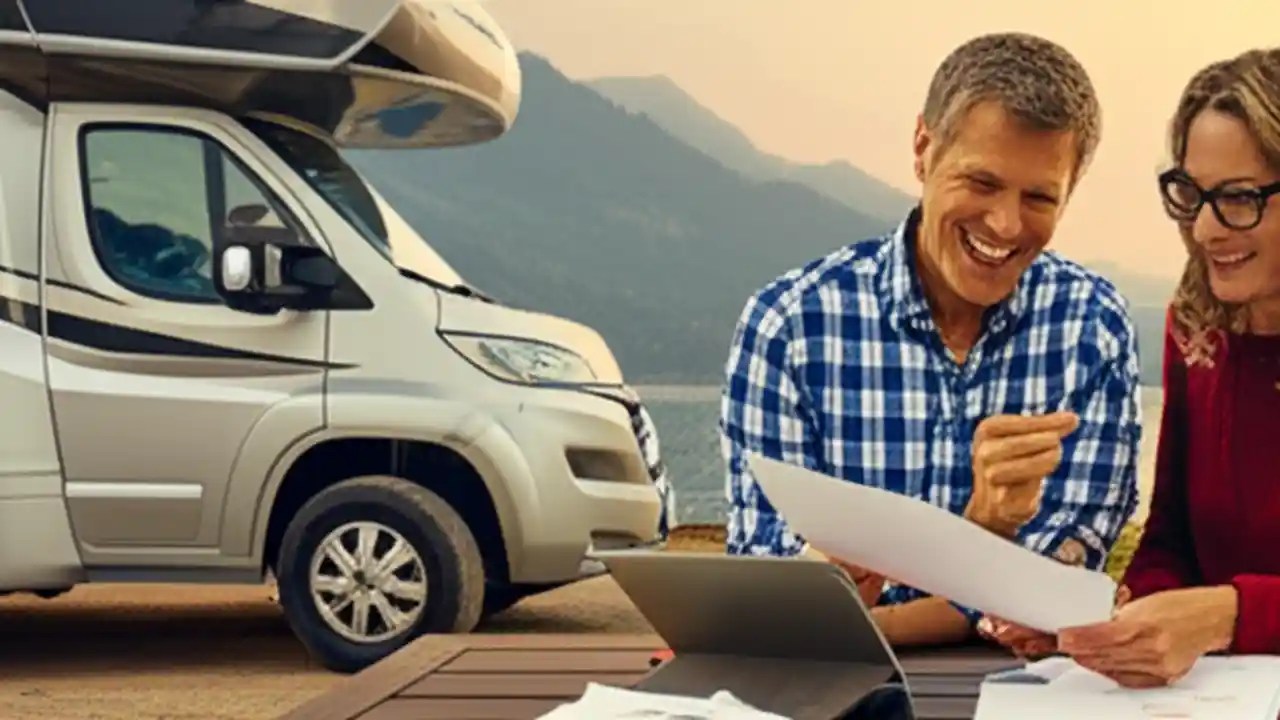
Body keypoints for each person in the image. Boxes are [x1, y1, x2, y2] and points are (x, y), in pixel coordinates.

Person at [719, 31, 1143, 647]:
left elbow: (1059, 580)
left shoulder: (1091, 326)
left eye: (1039, 198)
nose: (1005, 225)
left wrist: (869, 613)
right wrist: (985, 538)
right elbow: (770, 581)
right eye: (983, 183)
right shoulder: (789, 326)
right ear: (924, 148)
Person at [1033, 46, 1280, 688]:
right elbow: (1170, 541)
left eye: (1239, 199)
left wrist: (1228, 613)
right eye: (1192, 195)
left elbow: (1216, 606)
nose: (1204, 229)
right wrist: (1118, 622)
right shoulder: (1195, 327)